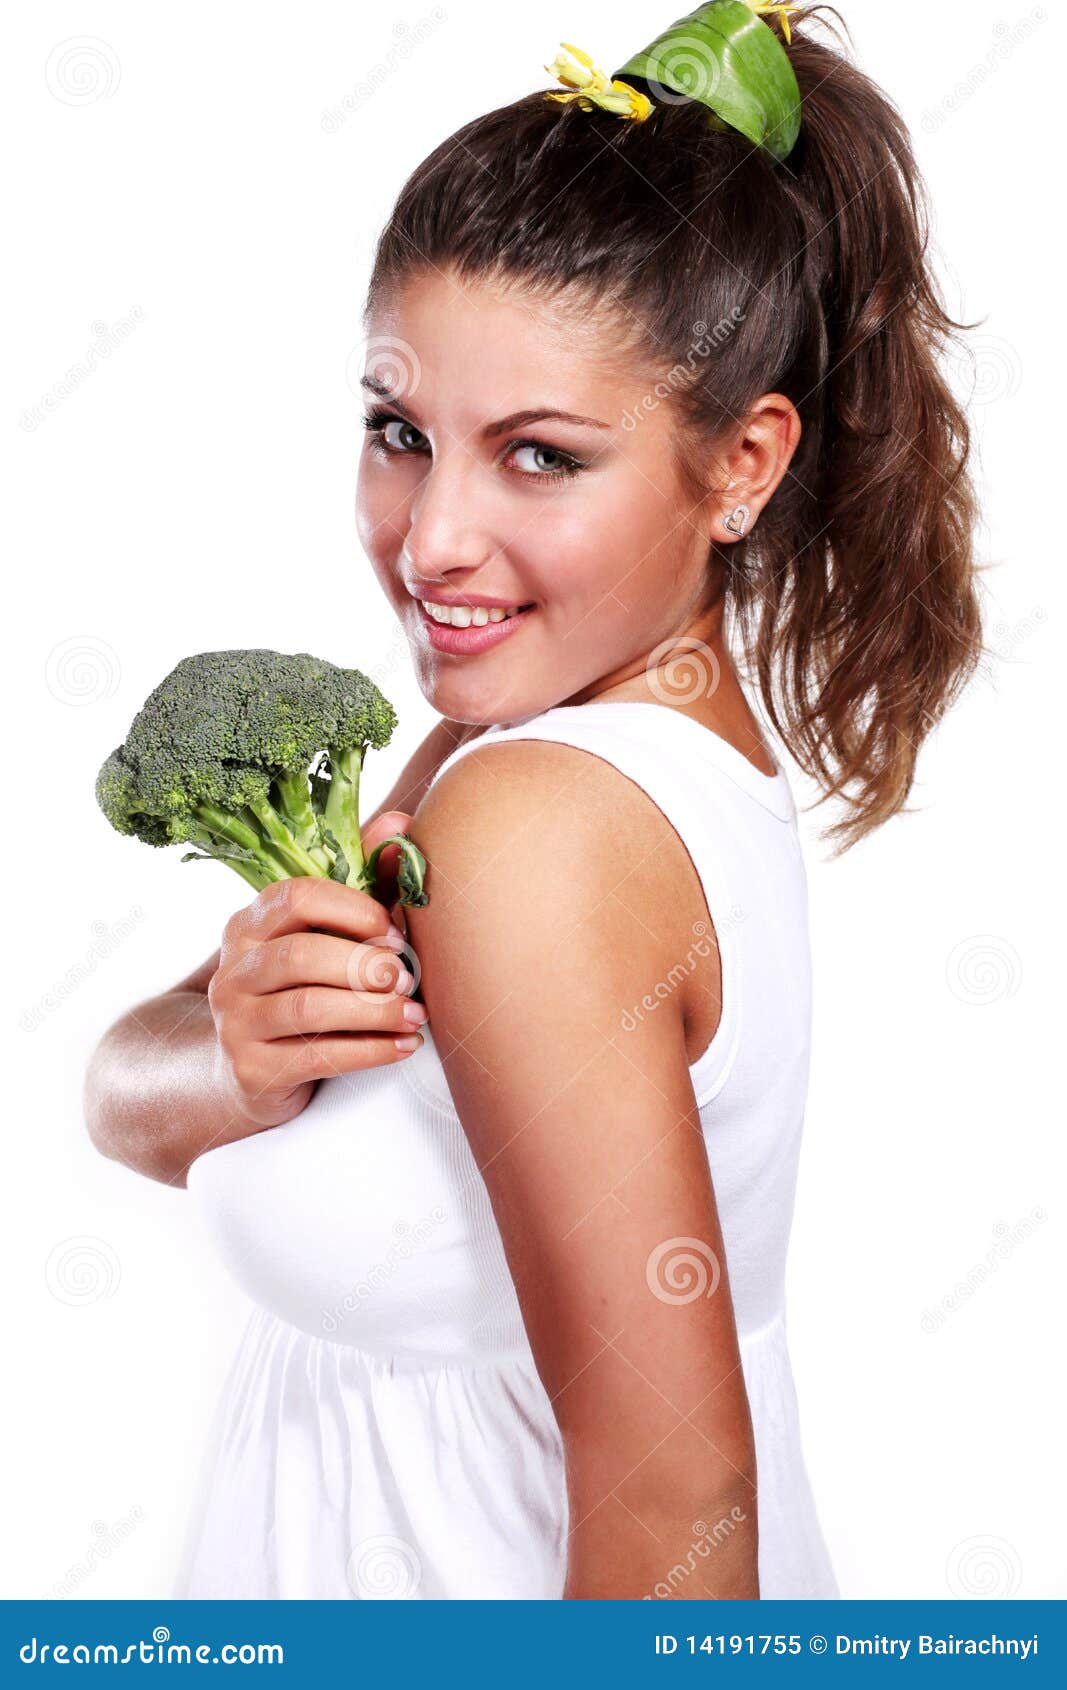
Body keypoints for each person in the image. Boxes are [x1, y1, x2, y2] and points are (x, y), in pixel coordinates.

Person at [84, 7, 982, 1600]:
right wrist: (234, 1037)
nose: (430, 538)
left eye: (541, 457)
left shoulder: (538, 828)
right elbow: (121, 1103)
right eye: (399, 433)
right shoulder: (521, 752)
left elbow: (680, 1507)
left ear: (741, 467)